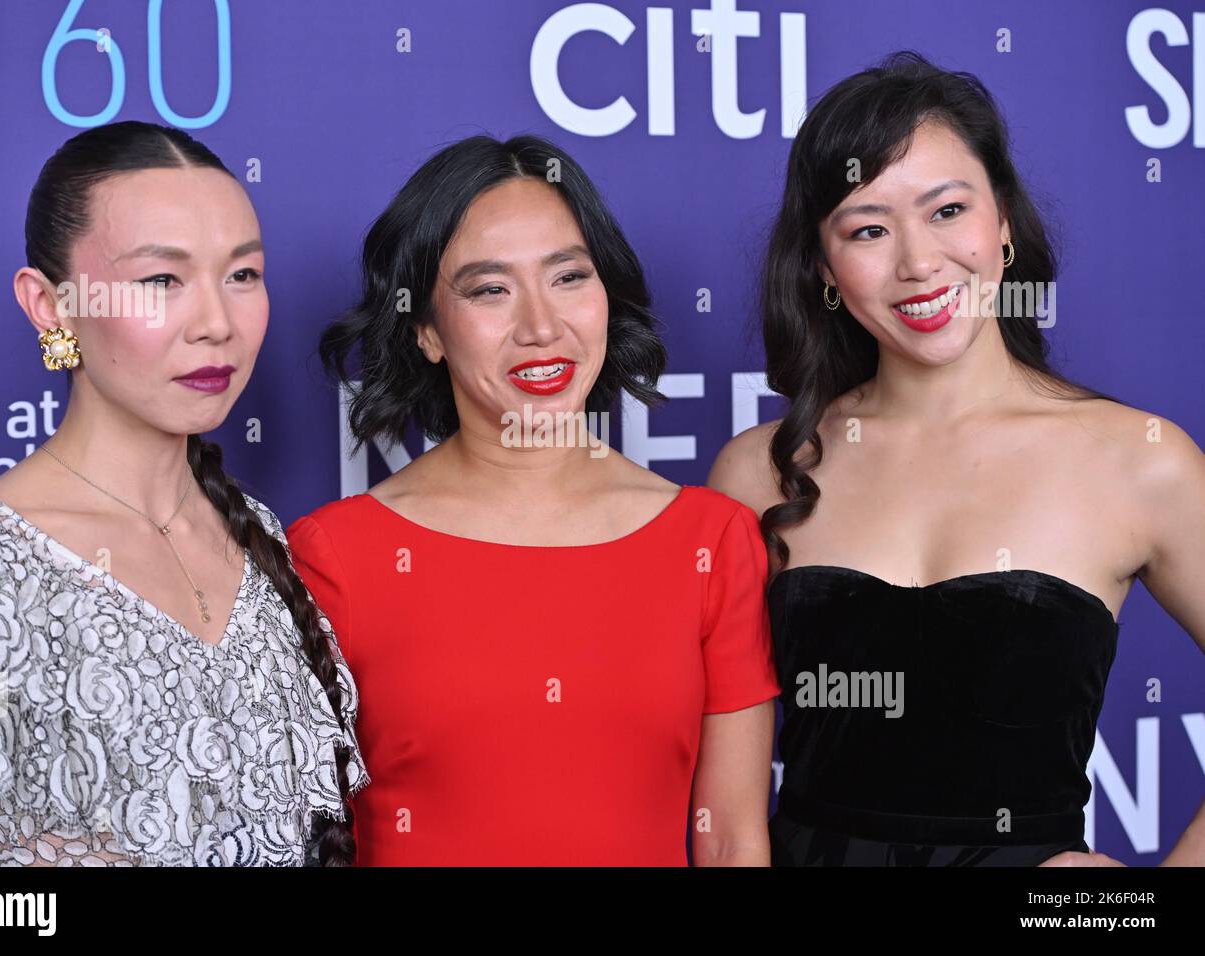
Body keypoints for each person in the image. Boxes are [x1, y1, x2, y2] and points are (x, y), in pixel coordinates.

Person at [710, 51, 1205, 867]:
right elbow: (725, 805)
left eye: (947, 211)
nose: (918, 262)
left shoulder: (1139, 460)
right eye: (868, 228)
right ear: (826, 269)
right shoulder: (758, 472)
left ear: (1002, 224)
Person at [287, 134, 779, 866]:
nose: (541, 327)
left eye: (569, 278)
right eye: (490, 289)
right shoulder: (338, 555)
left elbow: (735, 843)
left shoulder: (711, 542)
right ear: (425, 329)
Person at [0, 121, 368, 867]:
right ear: (50, 305)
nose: (217, 323)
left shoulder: (259, 536)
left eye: (242, 275)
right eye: (162, 280)